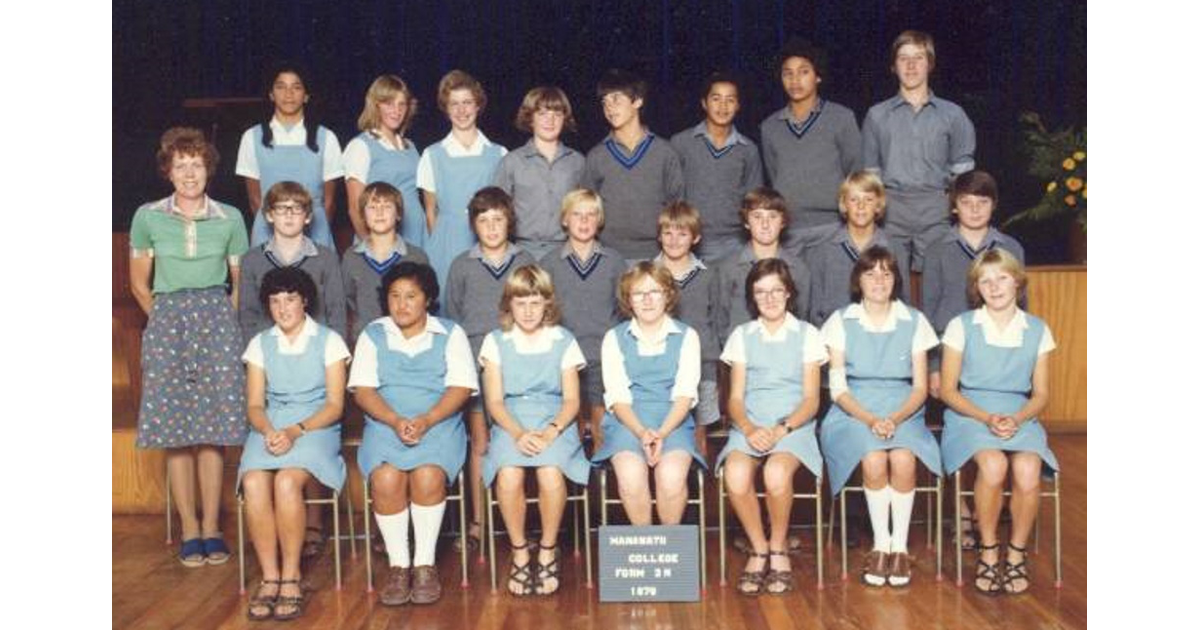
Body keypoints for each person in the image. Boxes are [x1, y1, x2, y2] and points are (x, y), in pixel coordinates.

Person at [129, 127, 249, 567]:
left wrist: (223, 323)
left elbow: (239, 284)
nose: (189, 173)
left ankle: (214, 528)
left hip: (216, 320)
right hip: (167, 321)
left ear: (208, 169)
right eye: (180, 165)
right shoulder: (148, 216)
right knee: (176, 432)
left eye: (196, 164)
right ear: (168, 171)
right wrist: (165, 319)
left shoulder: (230, 217)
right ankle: (190, 529)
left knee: (212, 431)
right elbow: (139, 284)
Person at [350, 262, 478, 606]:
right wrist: (394, 420)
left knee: (426, 475)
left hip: (438, 424)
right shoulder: (373, 334)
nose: (401, 304)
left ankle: (423, 564)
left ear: (428, 299)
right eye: (394, 296)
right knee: (387, 478)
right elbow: (362, 390)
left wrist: (426, 419)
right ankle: (398, 565)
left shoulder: (450, 333)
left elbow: (462, 387)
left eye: (411, 296)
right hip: (385, 423)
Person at [818, 246, 941, 588]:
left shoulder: (914, 321)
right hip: (853, 409)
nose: (878, 280)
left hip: (903, 406)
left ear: (896, 280)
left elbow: (919, 389)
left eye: (886, 273)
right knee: (873, 460)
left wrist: (895, 418)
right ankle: (879, 544)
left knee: (903, 459)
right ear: (858, 280)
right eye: (870, 273)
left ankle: (898, 548)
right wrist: (871, 419)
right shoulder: (841, 321)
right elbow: (838, 389)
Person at [938, 249, 1057, 596]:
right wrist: (987, 417)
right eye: (985, 280)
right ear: (976, 287)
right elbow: (947, 390)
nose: (994, 286)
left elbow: (1041, 395)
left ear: (1017, 282)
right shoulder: (962, 326)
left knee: (1028, 470)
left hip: (1020, 413)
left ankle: (1016, 552)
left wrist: (1017, 418)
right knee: (991, 465)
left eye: (1002, 277)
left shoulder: (1037, 329)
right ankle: (989, 550)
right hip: (970, 412)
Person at [238, 267, 350, 620]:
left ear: (305, 301)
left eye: (290, 299)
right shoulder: (260, 343)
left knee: (287, 481)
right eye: (274, 301)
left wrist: (295, 431)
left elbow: (335, 405)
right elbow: (255, 405)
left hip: (314, 426)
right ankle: (269, 576)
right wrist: (270, 430)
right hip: (272, 424)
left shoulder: (328, 340)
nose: (283, 308)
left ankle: (292, 575)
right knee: (254, 481)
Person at [717, 258, 827, 595]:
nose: (769, 298)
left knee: (776, 474)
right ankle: (759, 546)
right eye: (760, 292)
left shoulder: (807, 334)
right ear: (752, 297)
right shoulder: (742, 335)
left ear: (789, 292)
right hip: (750, 425)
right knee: (735, 476)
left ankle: (778, 547)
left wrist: (781, 429)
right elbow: (734, 399)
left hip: (794, 425)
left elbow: (811, 400)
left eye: (776, 290)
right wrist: (749, 428)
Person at [479, 265, 590, 596]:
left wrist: (551, 432)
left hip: (555, 419)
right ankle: (519, 551)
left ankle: (546, 548)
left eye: (535, 302)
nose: (528, 311)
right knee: (509, 475)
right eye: (520, 302)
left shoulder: (563, 340)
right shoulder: (496, 341)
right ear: (508, 305)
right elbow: (495, 403)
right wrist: (518, 434)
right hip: (510, 420)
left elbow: (572, 400)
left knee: (550, 473)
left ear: (548, 304)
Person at [445, 186, 537, 553]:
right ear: (474, 225)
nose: (492, 227)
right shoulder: (461, 265)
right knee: (481, 442)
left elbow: (539, 310)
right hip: (475, 363)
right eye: (484, 220)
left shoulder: (525, 259)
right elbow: (452, 318)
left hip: (520, 362)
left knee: (523, 439)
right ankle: (479, 523)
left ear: (509, 222)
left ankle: (524, 523)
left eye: (499, 219)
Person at [592, 262, 704, 525]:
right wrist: (643, 433)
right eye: (638, 293)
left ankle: (669, 551)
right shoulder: (613, 338)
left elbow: (685, 395)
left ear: (668, 295)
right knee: (631, 478)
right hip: (628, 422)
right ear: (628, 300)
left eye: (654, 291)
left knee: (671, 478)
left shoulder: (688, 336)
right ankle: (645, 550)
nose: (647, 299)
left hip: (673, 421)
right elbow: (617, 396)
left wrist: (661, 433)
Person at [862, 30, 976, 273]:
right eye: (903, 58)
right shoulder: (877, 115)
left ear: (930, 64)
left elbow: (964, 171)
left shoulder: (953, 114)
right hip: (891, 211)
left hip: (936, 209)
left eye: (919, 58)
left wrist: (951, 205)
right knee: (889, 279)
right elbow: (870, 173)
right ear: (893, 66)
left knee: (939, 280)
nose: (911, 66)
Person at [540, 189, 626, 448]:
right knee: (570, 431)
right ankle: (572, 484)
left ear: (599, 220)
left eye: (591, 215)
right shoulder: (549, 263)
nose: (584, 221)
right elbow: (543, 315)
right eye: (577, 214)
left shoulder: (614, 261)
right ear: (565, 219)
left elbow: (625, 310)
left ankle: (600, 486)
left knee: (602, 432)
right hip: (564, 360)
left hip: (603, 358)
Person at [759, 37, 861, 249]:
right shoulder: (769, 127)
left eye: (804, 71)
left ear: (818, 77)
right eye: (788, 73)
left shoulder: (841, 117)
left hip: (833, 228)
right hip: (788, 232)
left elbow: (856, 173)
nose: (795, 80)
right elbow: (774, 174)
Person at [236, 63, 344, 249]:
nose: (288, 94)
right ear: (271, 94)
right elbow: (255, 200)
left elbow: (329, 201)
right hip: (268, 233)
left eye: (296, 87)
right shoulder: (252, 137)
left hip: (316, 234)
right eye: (281, 87)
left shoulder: (326, 137)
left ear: (306, 96)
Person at [582, 68, 684, 260]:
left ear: (637, 101)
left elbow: (677, 208)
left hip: (657, 255)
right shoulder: (596, 156)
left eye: (616, 99)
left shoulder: (665, 152)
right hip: (608, 255)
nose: (609, 107)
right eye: (604, 101)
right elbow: (586, 209)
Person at [418, 69, 507, 285]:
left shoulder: (499, 153)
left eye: (467, 102)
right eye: (454, 104)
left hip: (488, 239)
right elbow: (431, 211)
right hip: (446, 243)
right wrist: (441, 245)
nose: (461, 110)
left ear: (478, 105)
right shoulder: (432, 154)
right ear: (446, 109)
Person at [238, 181, 346, 347]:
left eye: (297, 208)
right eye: (281, 208)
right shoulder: (251, 260)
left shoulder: (326, 258)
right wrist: (254, 354)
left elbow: (337, 312)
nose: (289, 215)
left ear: (308, 216)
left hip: (316, 348)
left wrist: (337, 351)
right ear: (269, 215)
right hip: (269, 349)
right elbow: (248, 315)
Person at [669, 72, 763, 262]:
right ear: (704, 103)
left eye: (730, 100)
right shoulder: (681, 143)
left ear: (738, 106)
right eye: (716, 99)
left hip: (735, 243)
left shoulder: (748, 149)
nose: (723, 106)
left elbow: (754, 201)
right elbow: (671, 196)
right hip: (690, 241)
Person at [492, 86, 585, 260]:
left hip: (567, 252)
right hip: (523, 251)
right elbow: (497, 212)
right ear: (530, 119)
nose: (550, 121)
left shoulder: (577, 162)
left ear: (564, 119)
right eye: (542, 114)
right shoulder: (511, 162)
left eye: (557, 114)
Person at [805, 171, 907, 327]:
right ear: (844, 205)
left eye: (868, 199)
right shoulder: (823, 251)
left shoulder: (894, 249)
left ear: (878, 205)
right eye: (854, 199)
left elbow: (903, 303)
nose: (861, 206)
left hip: (883, 335)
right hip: (835, 339)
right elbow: (815, 311)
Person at [654, 202, 721, 432]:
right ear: (659, 236)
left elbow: (717, 318)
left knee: (700, 432)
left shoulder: (708, 275)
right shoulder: (649, 274)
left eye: (682, 234)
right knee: (662, 427)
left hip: (703, 363)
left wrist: (714, 357)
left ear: (695, 238)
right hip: (660, 364)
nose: (674, 240)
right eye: (668, 233)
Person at [714, 187, 812, 342]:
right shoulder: (728, 268)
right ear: (746, 222)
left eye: (773, 216)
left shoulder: (798, 269)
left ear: (783, 221)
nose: (765, 224)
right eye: (757, 216)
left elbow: (803, 318)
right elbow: (720, 321)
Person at [341, 182, 429, 342]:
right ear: (362, 215)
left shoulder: (416, 257)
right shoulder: (351, 257)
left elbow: (424, 302)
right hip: (364, 340)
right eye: (372, 207)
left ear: (398, 214)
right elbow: (349, 300)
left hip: (407, 340)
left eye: (387, 207)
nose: (379, 213)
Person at [343, 74, 425, 247]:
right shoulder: (360, 146)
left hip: (417, 236)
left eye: (401, 104)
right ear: (376, 105)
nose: (397, 110)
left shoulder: (410, 146)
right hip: (381, 241)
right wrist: (373, 249)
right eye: (389, 103)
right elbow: (354, 208)